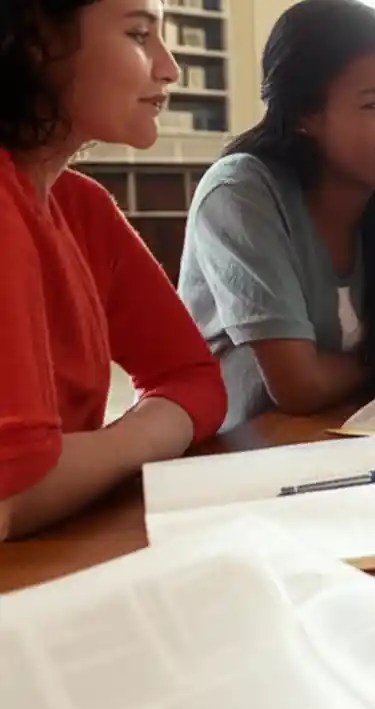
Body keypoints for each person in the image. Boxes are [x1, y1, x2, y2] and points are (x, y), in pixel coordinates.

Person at [179, 0, 375, 429]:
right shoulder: (241, 192)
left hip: (343, 438)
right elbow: (299, 388)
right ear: (304, 115)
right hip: (234, 456)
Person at [0, 0, 227, 539]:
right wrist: (138, 439)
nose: (169, 67)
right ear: (36, 43)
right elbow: (11, 491)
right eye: (139, 33)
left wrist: (92, 456)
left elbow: (195, 380)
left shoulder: (81, 208)